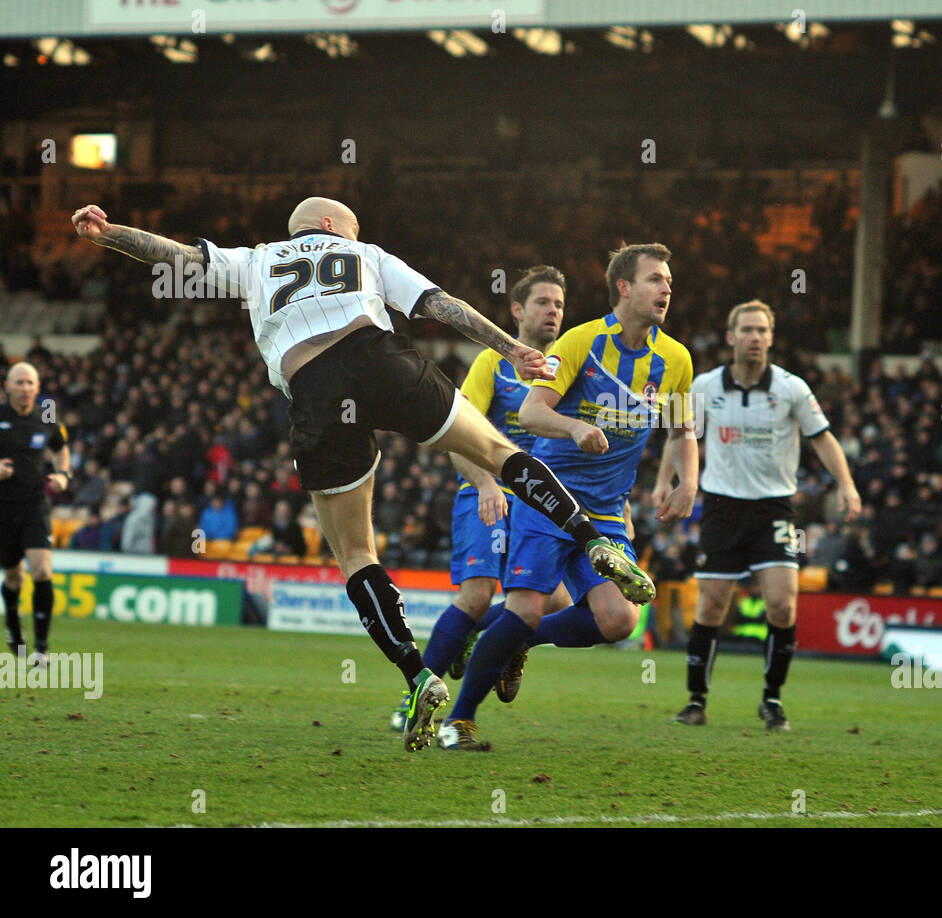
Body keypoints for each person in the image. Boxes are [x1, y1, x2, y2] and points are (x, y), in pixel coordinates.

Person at [72, 198, 652, 753]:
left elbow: (178, 256)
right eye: (351, 224)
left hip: (314, 392)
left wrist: (109, 234)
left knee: (356, 553)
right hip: (382, 361)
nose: (355, 230)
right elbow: (438, 305)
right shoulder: (366, 254)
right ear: (330, 224)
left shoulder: (255, 259)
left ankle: (416, 676)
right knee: (499, 452)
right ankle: (594, 539)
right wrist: (512, 349)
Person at [436, 243, 696, 751]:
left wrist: (686, 481)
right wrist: (574, 427)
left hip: (605, 513)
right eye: (655, 280)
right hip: (549, 501)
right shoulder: (580, 342)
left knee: (620, 620)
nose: (666, 288)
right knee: (528, 606)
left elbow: (684, 430)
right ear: (624, 287)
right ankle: (459, 721)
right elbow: (532, 414)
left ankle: (517, 642)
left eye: (668, 281)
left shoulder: (677, 359)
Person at [388, 265, 574, 732]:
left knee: (554, 603)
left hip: (541, 502)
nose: (553, 311)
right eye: (542, 303)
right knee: (476, 595)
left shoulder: (571, 369)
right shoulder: (492, 363)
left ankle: (495, 641)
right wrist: (489, 484)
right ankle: (415, 700)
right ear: (517, 311)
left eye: (559, 305)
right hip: (487, 493)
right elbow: (457, 436)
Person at [669, 300, 861, 731]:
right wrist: (673, 482)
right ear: (731, 337)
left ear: (771, 338)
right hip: (720, 506)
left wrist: (846, 485)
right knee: (713, 604)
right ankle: (696, 700)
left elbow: (824, 439)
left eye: (762, 330)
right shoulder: (703, 386)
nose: (755, 337)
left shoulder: (792, 388)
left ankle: (771, 700)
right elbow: (679, 437)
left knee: (781, 605)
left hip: (776, 508)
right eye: (747, 330)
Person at [0, 362, 71, 666]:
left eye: (30, 382)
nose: (25, 388)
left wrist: (63, 474)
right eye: (19, 383)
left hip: (35, 505)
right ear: (8, 386)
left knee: (42, 570)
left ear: (38, 387)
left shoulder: (48, 415)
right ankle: (14, 628)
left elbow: (61, 447)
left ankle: (41, 649)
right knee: (14, 577)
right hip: (3, 507)